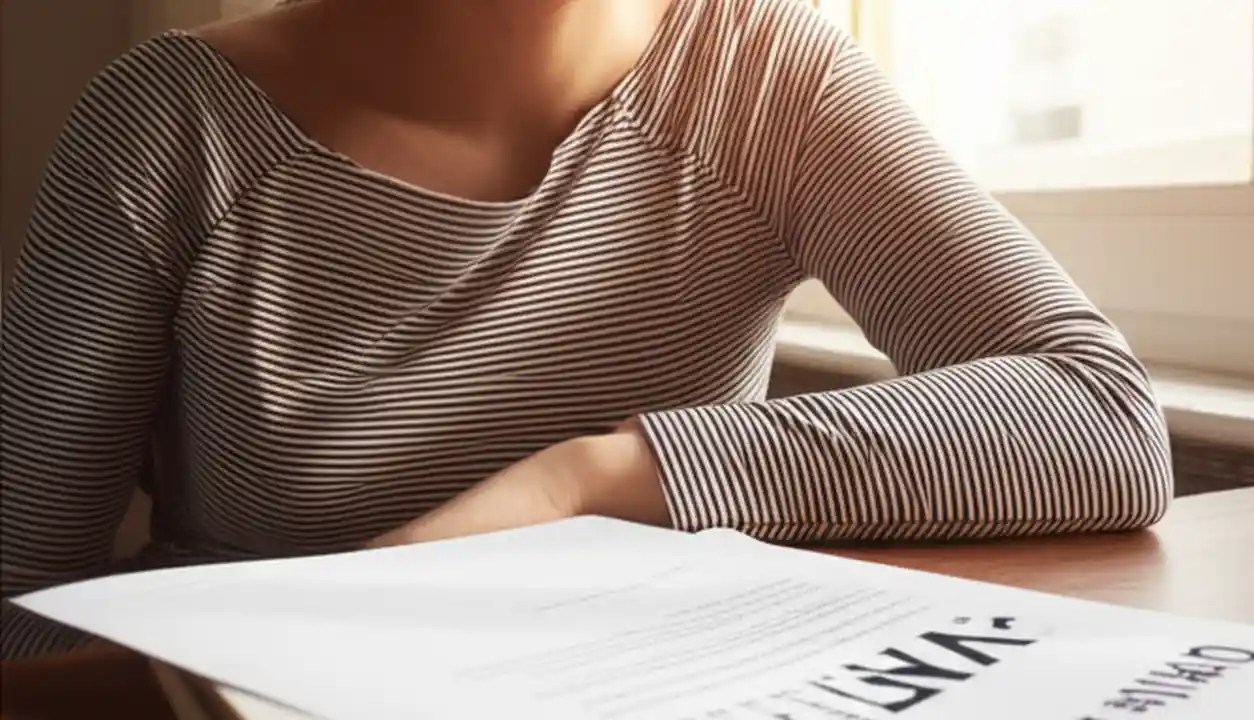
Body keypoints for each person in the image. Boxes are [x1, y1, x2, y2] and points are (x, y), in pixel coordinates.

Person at [0, 0, 1173, 659]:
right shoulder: (169, 123)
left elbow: (1101, 418)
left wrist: (585, 481)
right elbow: (19, 583)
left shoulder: (762, 75)